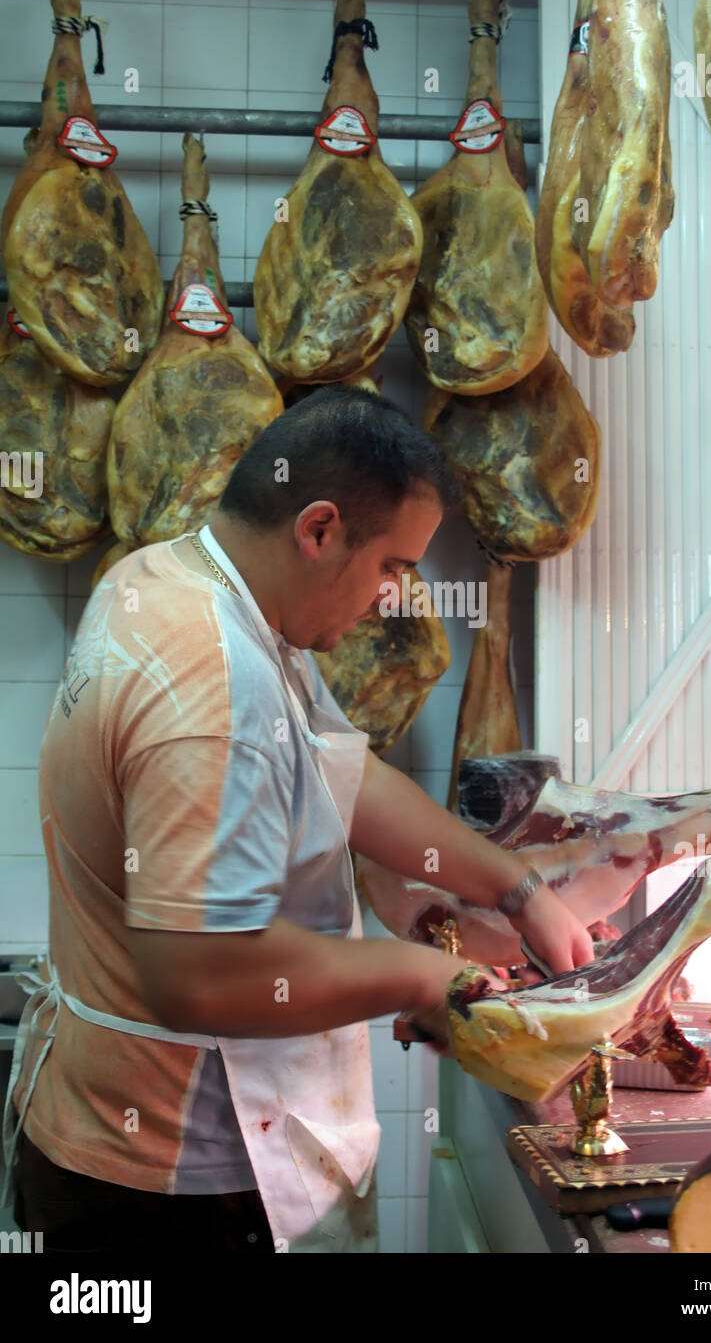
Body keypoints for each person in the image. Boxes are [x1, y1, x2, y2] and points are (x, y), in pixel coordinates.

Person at [3, 386, 595, 1254]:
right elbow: (201, 974)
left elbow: (344, 775)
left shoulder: (172, 581)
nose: (396, 596)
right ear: (319, 530)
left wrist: (516, 888)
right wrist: (425, 981)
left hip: (123, 1144)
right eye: (393, 565)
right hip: (174, 1187)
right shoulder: (217, 686)